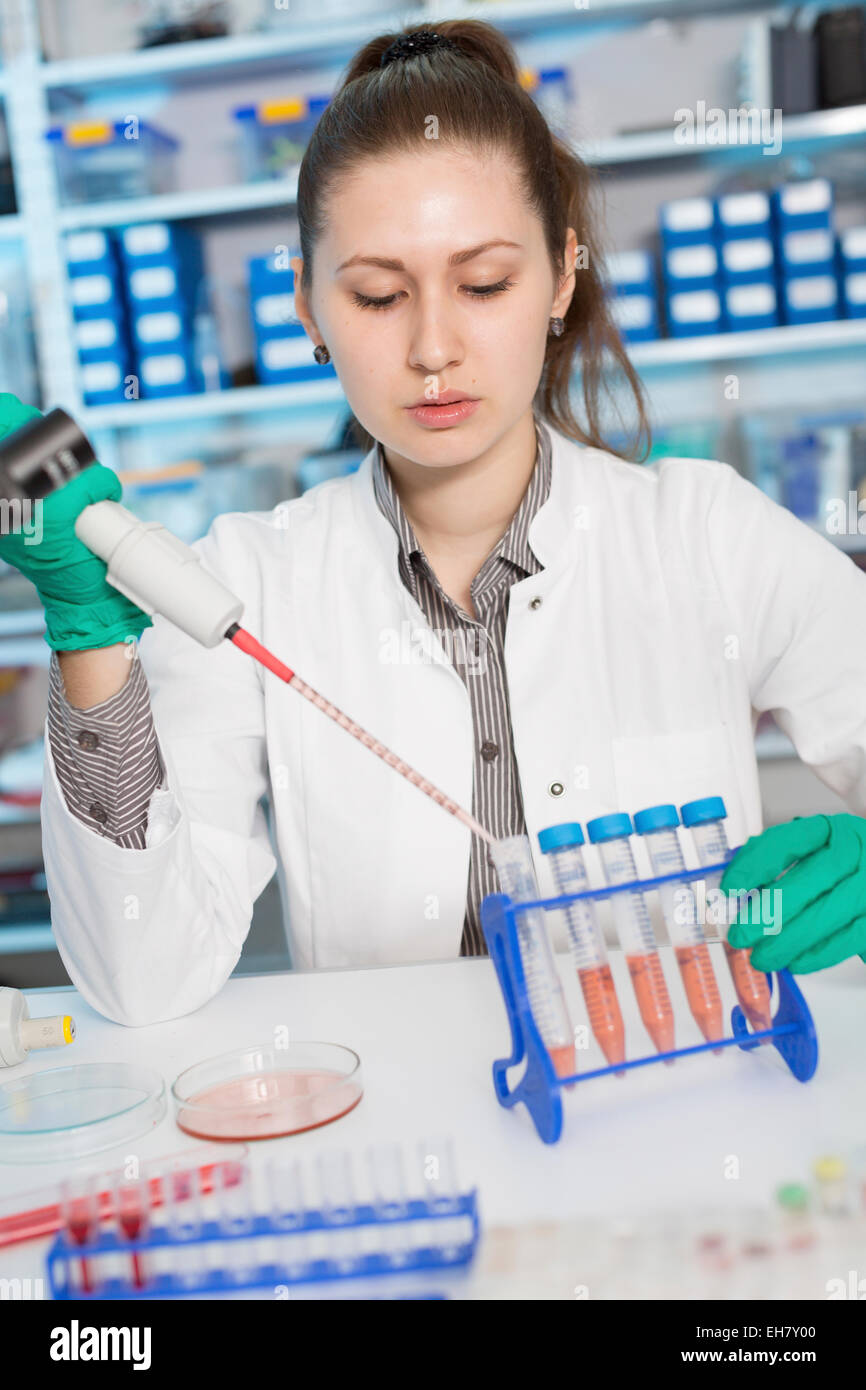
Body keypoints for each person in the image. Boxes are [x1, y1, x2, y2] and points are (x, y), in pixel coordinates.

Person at [1, 21, 865, 1028]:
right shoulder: (244, 581)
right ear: (308, 309)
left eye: (484, 284)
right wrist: (87, 634)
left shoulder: (706, 533)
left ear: (563, 274)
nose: (432, 348)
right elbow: (144, 981)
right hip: (406, 1111)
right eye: (377, 296)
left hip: (685, 1089)